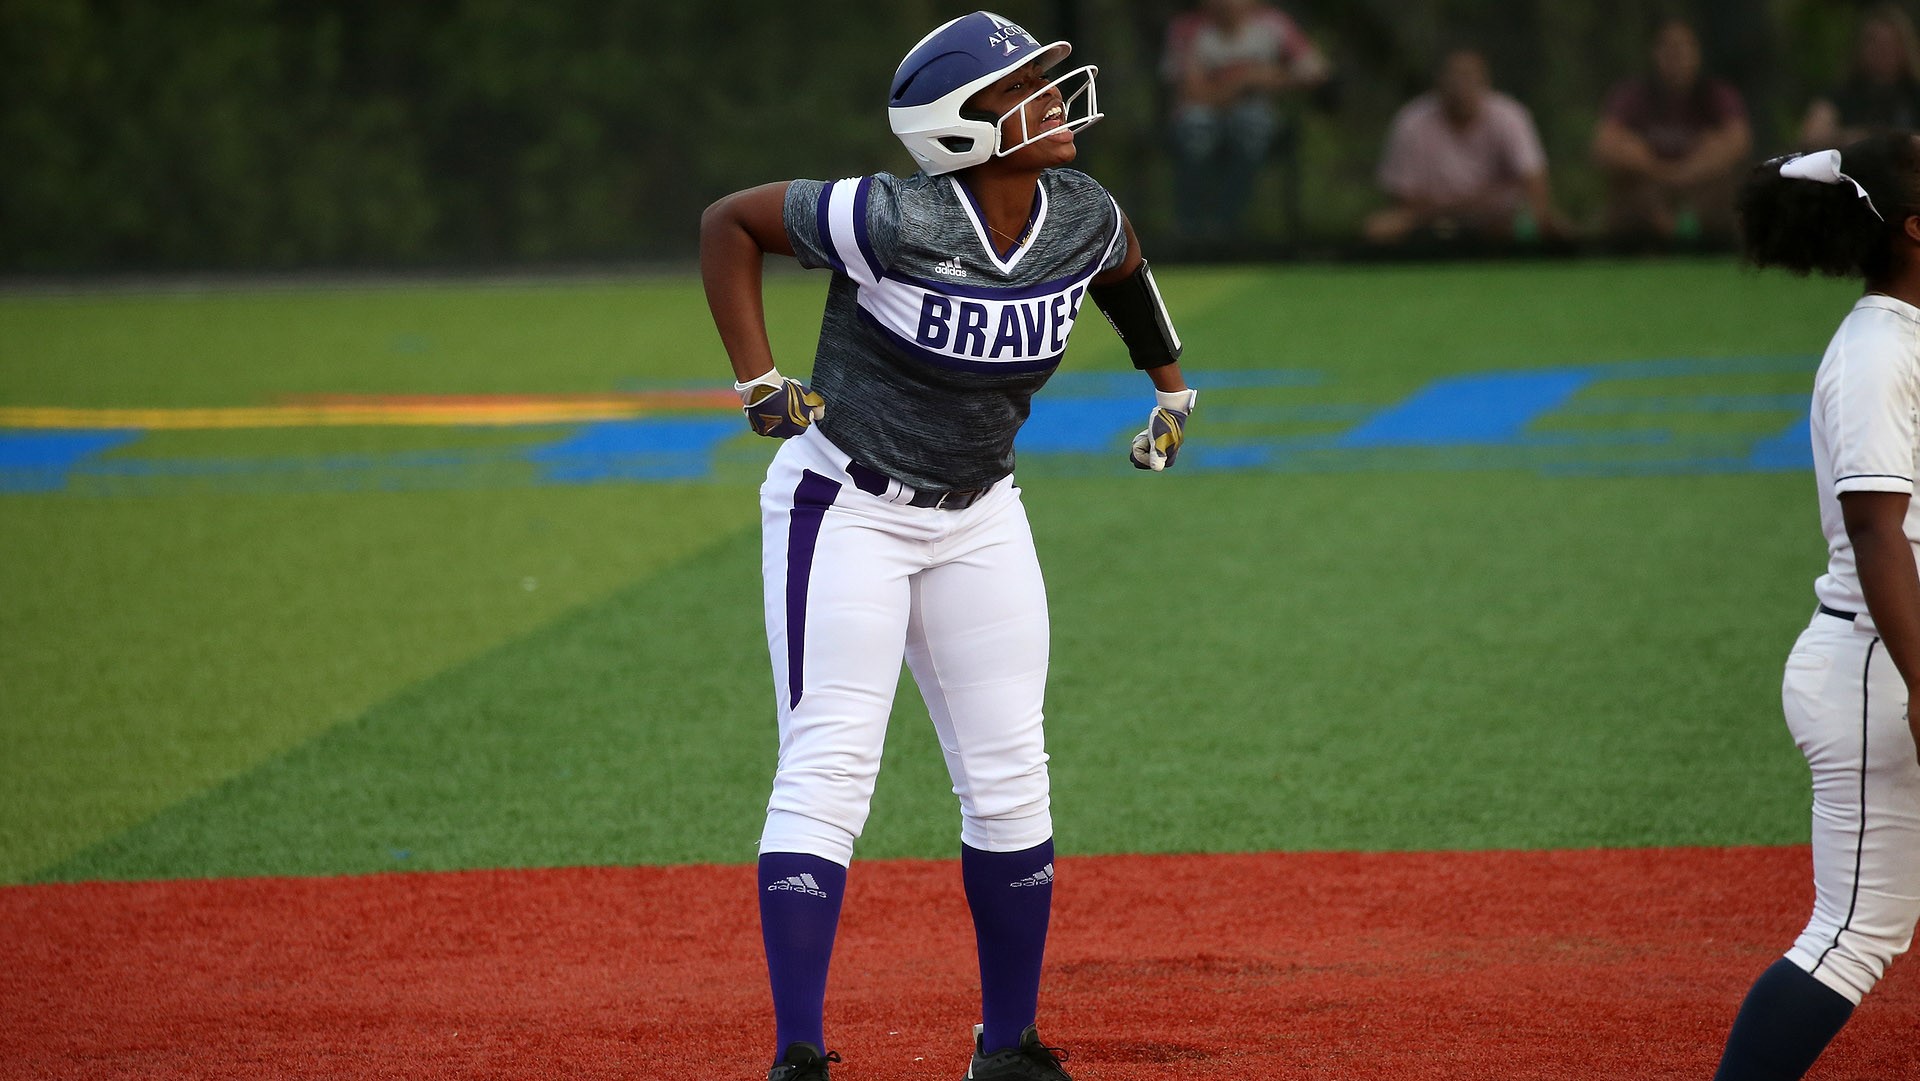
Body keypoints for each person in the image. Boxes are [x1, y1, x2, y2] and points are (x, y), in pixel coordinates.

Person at [699, 12, 1195, 1081]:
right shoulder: (890, 214)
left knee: (1013, 775)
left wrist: (1170, 387)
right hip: (847, 503)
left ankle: (1007, 1047)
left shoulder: (1081, 211)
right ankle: (797, 1054)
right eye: (1024, 86)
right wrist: (757, 378)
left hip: (981, 510)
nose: (1053, 97)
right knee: (830, 766)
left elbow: (1124, 267)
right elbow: (729, 223)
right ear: (963, 124)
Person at [1710, 133, 1920, 1081]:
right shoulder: (1877, 352)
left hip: (1892, 661)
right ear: (1914, 230)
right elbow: (1876, 531)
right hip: (1880, 666)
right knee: (1853, 932)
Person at [1363, 47, 1568, 244]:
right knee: (1380, 228)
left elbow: (1536, 186)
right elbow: (1401, 198)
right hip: (1428, 218)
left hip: (1497, 217)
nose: (1461, 87)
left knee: (1553, 225)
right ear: (1439, 82)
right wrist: (1459, 208)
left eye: (1469, 78)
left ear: (1485, 83)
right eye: (1455, 78)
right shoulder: (1411, 121)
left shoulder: (1510, 116)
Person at [1162, 0, 1330, 238]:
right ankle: (1190, 228)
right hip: (1199, 120)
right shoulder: (1187, 29)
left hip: (1253, 121)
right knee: (1196, 129)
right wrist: (1241, 83)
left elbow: (1316, 71)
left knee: (1251, 125)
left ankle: (1225, 226)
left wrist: (1263, 78)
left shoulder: (1274, 25)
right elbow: (1193, 94)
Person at [1592, 18, 1752, 241]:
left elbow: (1738, 141)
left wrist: (1686, 173)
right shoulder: (1632, 94)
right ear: (1654, 53)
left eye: (1684, 48)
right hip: (1649, 192)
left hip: (1703, 190)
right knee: (1626, 177)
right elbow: (1604, 144)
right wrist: (1659, 170)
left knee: (1723, 170)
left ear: (1697, 53)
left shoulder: (1717, 93)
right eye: (1668, 48)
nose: (1677, 57)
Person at [1801, 4, 1920, 149]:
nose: (1882, 51)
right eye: (1875, 43)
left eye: (1889, 43)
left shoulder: (1914, 96)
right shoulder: (1842, 95)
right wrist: (1855, 138)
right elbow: (1811, 137)